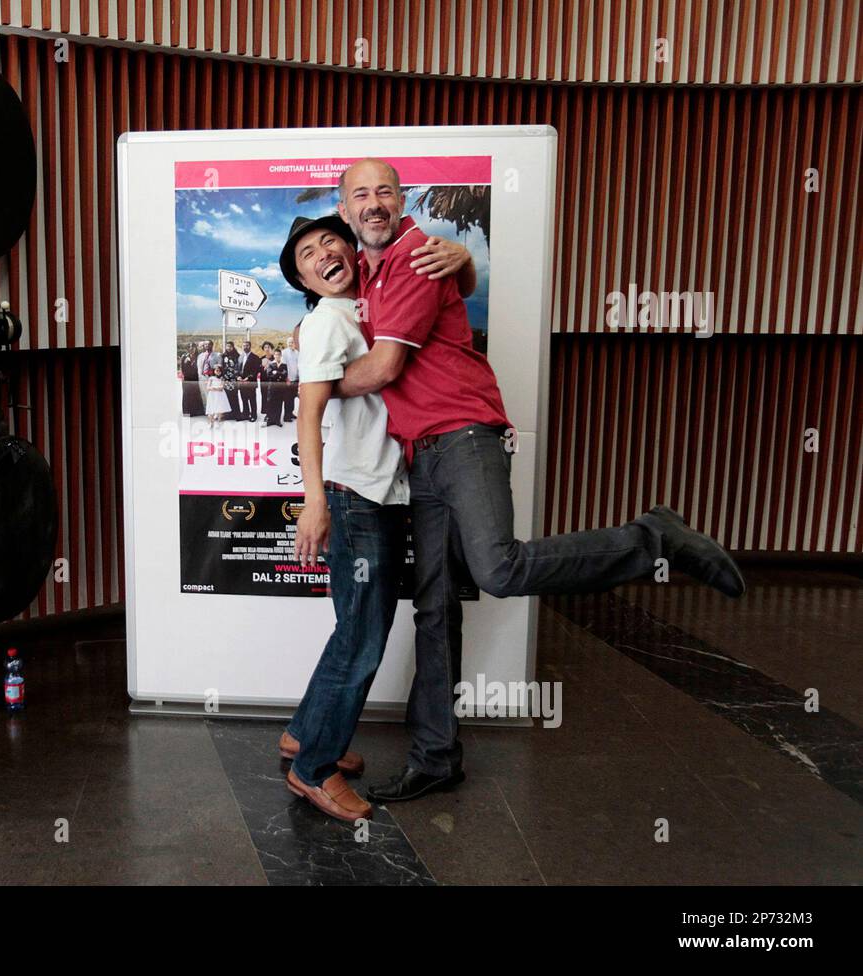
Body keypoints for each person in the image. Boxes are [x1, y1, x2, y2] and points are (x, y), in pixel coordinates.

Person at [329, 158, 746, 805]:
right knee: (434, 606)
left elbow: (382, 368)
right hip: (423, 453)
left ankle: (653, 537)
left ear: (401, 197)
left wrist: (315, 389)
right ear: (346, 206)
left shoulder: (412, 256)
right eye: (361, 194)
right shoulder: (375, 271)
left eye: (384, 190)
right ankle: (436, 756)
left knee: (497, 569)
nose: (374, 202)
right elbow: (443, 285)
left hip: (465, 436)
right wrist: (463, 262)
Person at [276, 213, 477, 823]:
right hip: (356, 496)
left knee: (353, 629)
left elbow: (455, 285)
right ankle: (312, 768)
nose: (322, 253)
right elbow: (307, 415)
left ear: (350, 249)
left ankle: (304, 733)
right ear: (305, 278)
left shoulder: (363, 307)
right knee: (362, 639)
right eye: (307, 253)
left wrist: (461, 257)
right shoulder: (328, 321)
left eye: (328, 240)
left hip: (378, 493)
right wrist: (314, 502)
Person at [203, 346, 231, 423]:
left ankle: (219, 421)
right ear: (214, 371)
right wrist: (214, 389)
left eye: (219, 371)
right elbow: (208, 387)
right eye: (216, 370)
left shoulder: (221, 378)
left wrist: (214, 388)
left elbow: (221, 387)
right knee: (212, 407)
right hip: (212, 395)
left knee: (219, 408)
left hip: (220, 395)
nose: (218, 372)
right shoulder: (211, 378)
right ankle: (211, 422)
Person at [236, 340, 262, 421]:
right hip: (241, 382)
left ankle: (254, 415)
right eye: (243, 346)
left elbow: (256, 370)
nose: (245, 347)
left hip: (250, 382)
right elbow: (237, 368)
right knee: (244, 399)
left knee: (252, 399)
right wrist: (238, 377)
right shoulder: (240, 357)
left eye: (247, 345)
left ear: (250, 346)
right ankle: (245, 414)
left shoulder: (255, 357)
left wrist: (248, 378)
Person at [179, 343, 203, 416]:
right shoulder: (184, 356)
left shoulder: (198, 357)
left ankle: (196, 412)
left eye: (193, 347)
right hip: (186, 378)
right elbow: (181, 368)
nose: (191, 349)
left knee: (196, 394)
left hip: (196, 378)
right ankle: (187, 412)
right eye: (189, 347)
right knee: (186, 394)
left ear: (195, 348)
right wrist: (183, 377)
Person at [281, 335, 300, 421]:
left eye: (292, 342)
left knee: (292, 398)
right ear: (287, 343)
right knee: (287, 399)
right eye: (289, 342)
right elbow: (283, 366)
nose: (290, 344)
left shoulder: (297, 352)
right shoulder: (284, 352)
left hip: (295, 379)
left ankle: (290, 413)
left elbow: (299, 365)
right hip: (288, 379)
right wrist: (286, 378)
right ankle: (286, 416)